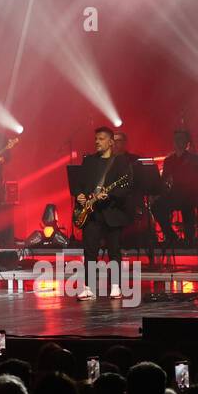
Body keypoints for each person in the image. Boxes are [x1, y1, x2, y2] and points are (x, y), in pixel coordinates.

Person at [73, 126, 134, 300]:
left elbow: (127, 186)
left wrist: (110, 194)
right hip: (92, 213)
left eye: (101, 139)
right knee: (90, 251)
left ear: (110, 142)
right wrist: (80, 195)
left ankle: (116, 286)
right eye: (96, 139)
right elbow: (77, 183)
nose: (97, 142)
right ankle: (88, 287)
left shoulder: (121, 162)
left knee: (114, 250)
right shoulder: (89, 161)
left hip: (112, 211)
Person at [152, 130, 198, 256]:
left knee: (188, 204)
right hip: (174, 194)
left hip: (190, 194)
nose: (178, 142)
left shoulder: (194, 159)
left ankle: (189, 239)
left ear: (187, 142)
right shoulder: (169, 160)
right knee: (156, 206)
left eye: (181, 139)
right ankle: (172, 236)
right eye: (176, 139)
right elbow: (164, 181)